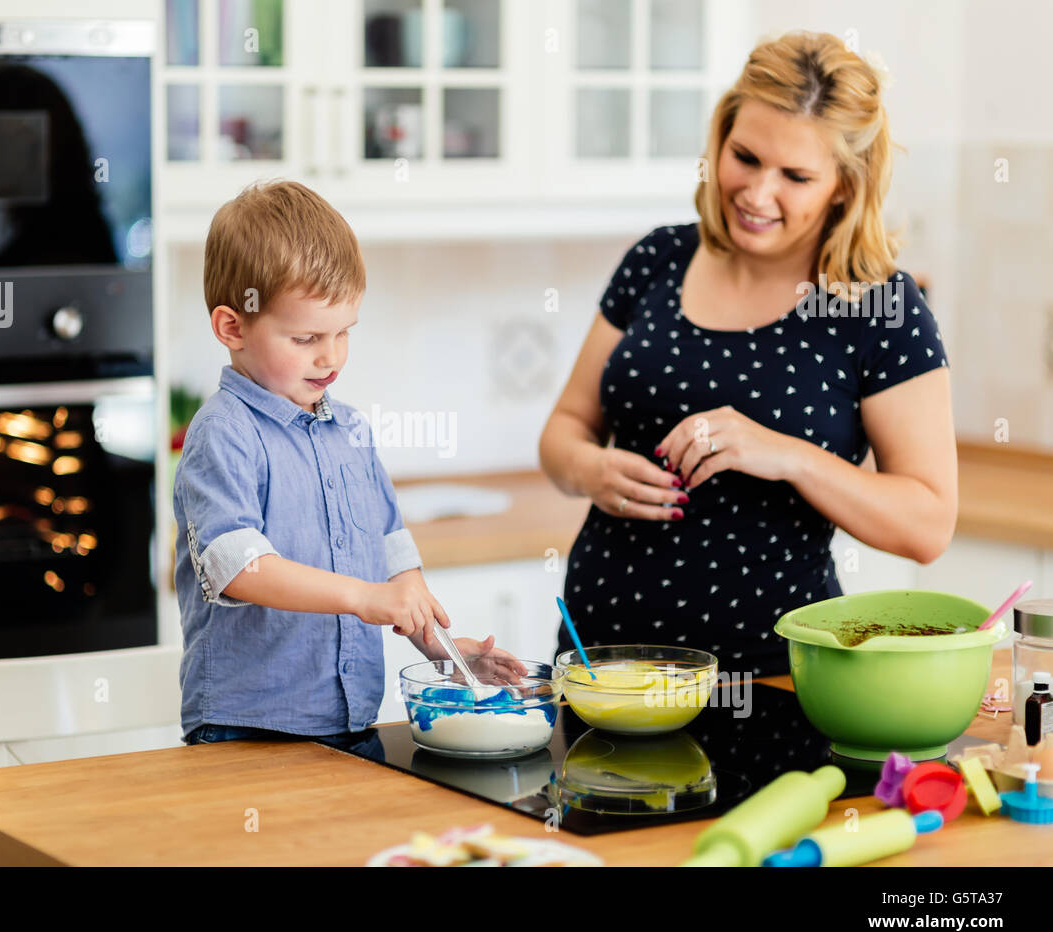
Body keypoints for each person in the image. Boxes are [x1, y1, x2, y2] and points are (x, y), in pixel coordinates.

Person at [539, 31, 957, 677]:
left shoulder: (878, 305)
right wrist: (589, 470)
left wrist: (787, 455)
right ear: (720, 139)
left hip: (775, 673)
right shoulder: (658, 259)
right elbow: (564, 430)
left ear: (844, 186)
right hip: (603, 663)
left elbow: (927, 526)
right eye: (745, 157)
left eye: (795, 176)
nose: (758, 194)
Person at [175, 180, 525, 758]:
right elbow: (240, 569)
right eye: (306, 336)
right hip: (248, 730)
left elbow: (395, 569)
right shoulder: (224, 433)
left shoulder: (351, 432)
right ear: (232, 327)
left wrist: (444, 648)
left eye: (343, 333)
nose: (331, 356)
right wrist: (363, 598)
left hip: (351, 723)